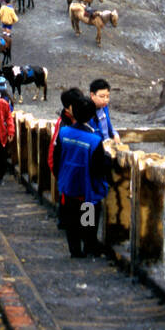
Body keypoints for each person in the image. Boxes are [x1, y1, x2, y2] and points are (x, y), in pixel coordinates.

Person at [53, 97, 109, 258]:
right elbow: (99, 168)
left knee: (71, 220)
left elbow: (57, 158)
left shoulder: (63, 133)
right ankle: (89, 246)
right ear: (92, 116)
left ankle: (75, 249)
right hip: (87, 190)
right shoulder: (94, 140)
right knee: (88, 219)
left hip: (68, 186)